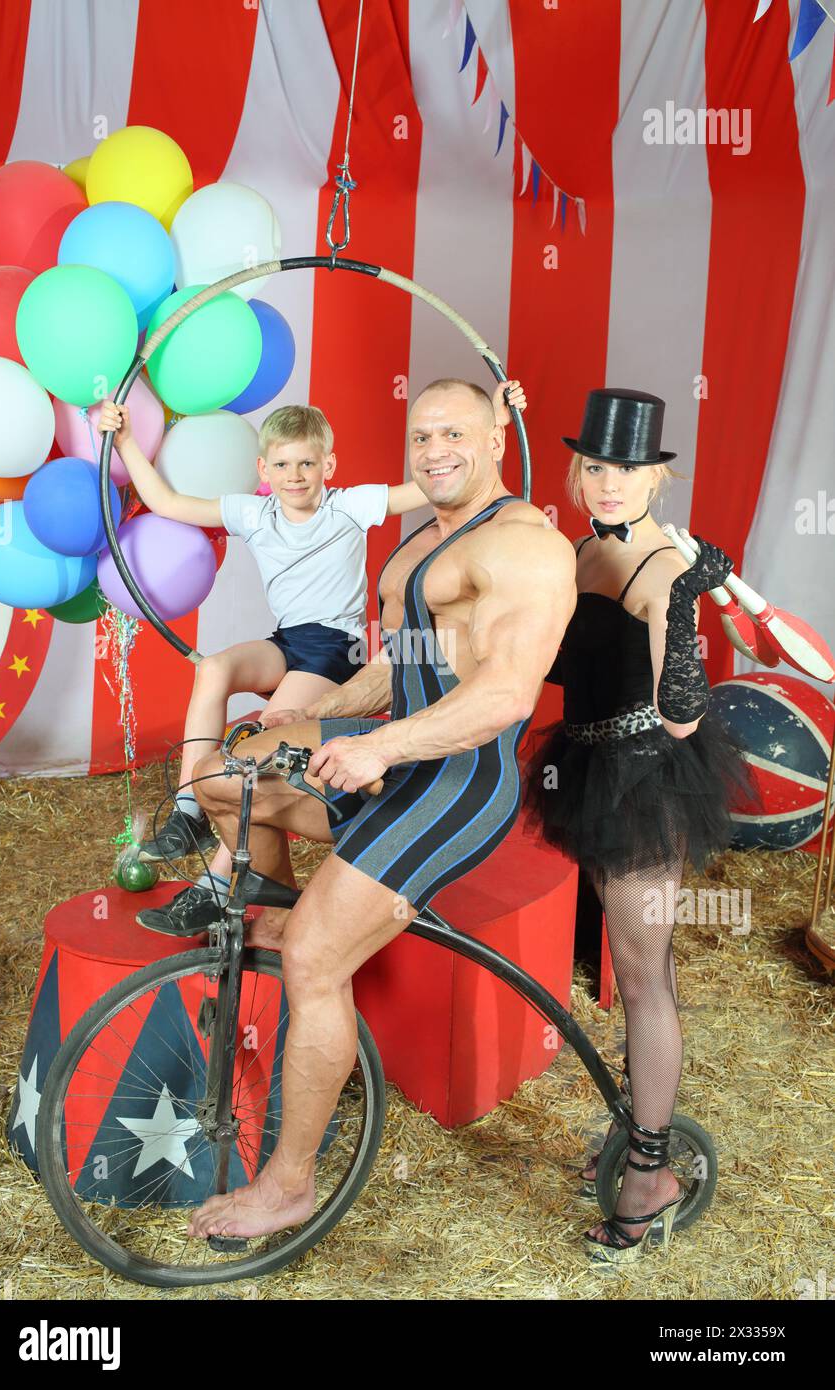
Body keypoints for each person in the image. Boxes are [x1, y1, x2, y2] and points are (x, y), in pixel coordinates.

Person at [181, 377, 576, 1241]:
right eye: (421, 435)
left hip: (457, 788)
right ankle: (284, 906)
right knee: (223, 772)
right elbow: (398, 668)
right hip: (397, 761)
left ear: (498, 438)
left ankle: (289, 1183)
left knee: (319, 962)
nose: (434, 451)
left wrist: (377, 747)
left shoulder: (524, 547)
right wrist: (320, 717)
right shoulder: (419, 547)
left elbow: (507, 693)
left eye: (455, 435)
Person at [99, 386, 527, 936]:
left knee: (250, 754)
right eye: (282, 464)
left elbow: (434, 476)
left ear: (329, 464)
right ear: (263, 467)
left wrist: (496, 421)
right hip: (289, 640)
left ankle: (214, 886)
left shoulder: (347, 505)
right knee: (214, 669)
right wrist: (128, 441)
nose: (295, 475)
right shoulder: (254, 512)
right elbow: (166, 504)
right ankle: (188, 814)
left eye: (307, 463)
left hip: (336, 650)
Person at [521, 387, 759, 1264]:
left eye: (626, 468)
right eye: (593, 465)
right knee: (623, 969)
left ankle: (651, 1175)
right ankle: (639, 1130)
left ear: (660, 476)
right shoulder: (579, 550)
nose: (607, 482)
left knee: (641, 976)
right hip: (587, 765)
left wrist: (688, 599)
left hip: (647, 781)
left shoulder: (663, 569)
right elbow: (557, 670)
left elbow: (684, 712)